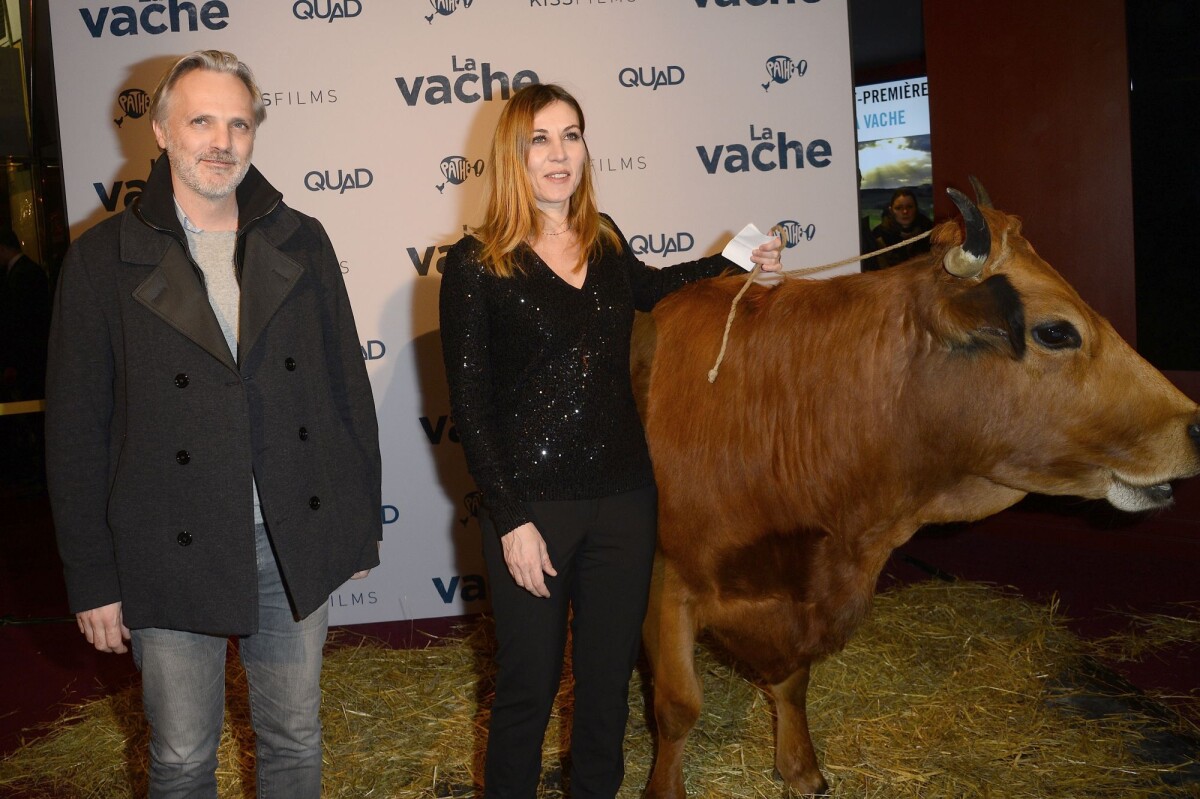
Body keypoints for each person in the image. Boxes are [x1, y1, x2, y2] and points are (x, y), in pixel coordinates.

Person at [45, 50, 382, 798]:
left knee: (295, 737)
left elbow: (344, 390)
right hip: (169, 547)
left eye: (238, 122)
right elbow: (74, 433)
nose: (221, 141)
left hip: (288, 539)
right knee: (183, 756)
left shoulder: (302, 239)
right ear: (160, 130)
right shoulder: (102, 262)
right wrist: (93, 580)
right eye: (201, 120)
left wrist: (355, 523)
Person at [439, 83, 782, 798]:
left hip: (625, 501)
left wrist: (740, 259)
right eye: (541, 138)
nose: (560, 153)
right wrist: (511, 519)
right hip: (533, 510)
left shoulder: (606, 237)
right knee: (528, 693)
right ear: (513, 153)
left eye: (572, 134)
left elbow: (658, 288)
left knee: (606, 693)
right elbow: (470, 409)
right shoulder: (475, 266)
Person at [0, 227, 50, 400]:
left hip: (27, 357)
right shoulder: (28, 270)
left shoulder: (22, 274)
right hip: (31, 354)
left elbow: (18, 321)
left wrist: (12, 361)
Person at [866, 186, 934, 270]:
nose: (905, 212)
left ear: (916, 208)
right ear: (891, 210)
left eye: (909, 207)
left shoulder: (929, 232)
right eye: (898, 208)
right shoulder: (879, 235)